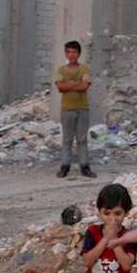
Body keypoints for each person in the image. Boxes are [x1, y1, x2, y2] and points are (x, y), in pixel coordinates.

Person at [55, 40, 95, 180]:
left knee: (82, 139)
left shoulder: (84, 69)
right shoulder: (61, 70)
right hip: (67, 109)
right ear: (66, 53)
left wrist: (69, 84)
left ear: (79, 54)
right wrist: (76, 84)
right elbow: (60, 87)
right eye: (69, 52)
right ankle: (65, 166)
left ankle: (85, 166)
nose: (71, 55)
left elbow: (85, 86)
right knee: (67, 139)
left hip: (82, 108)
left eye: (74, 52)